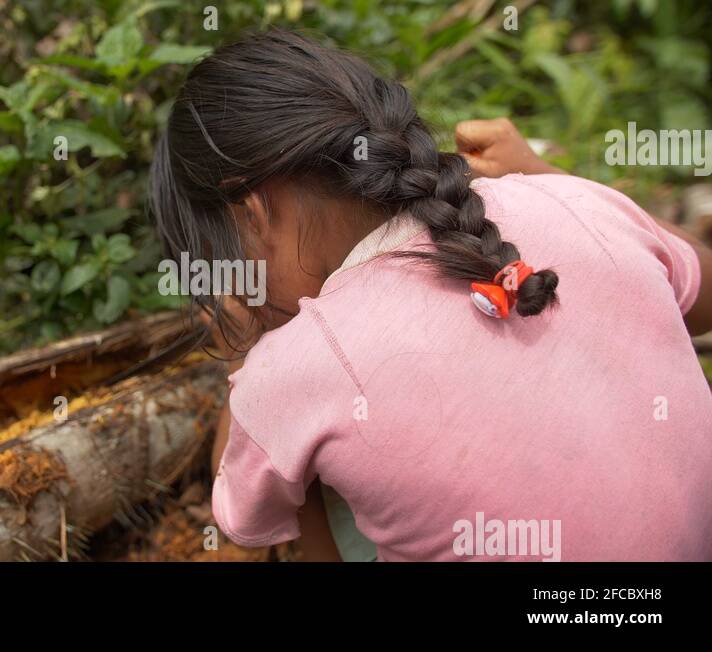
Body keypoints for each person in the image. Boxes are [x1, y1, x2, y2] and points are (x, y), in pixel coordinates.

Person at [149, 29, 712, 561]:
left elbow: (244, 525)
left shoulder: (293, 370)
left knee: (306, 471)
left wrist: (255, 356)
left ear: (249, 213)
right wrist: (553, 178)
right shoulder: (573, 201)